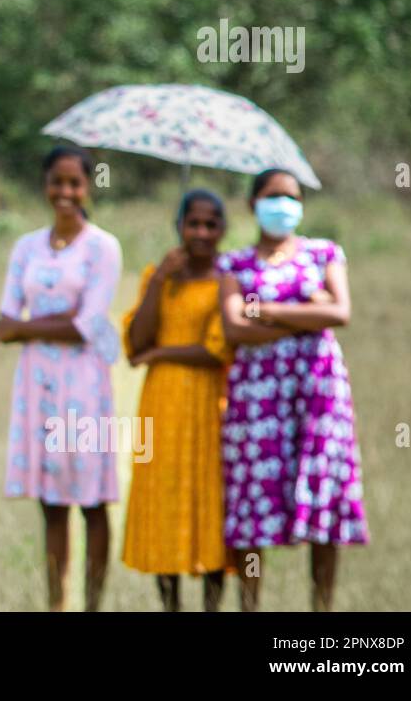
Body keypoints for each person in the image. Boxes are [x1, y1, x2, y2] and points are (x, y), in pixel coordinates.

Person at [217, 168, 367, 611]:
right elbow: (234, 328)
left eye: (292, 197)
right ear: (252, 204)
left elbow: (340, 313)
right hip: (256, 399)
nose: (283, 205)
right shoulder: (234, 263)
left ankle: (321, 607)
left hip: (318, 393)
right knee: (251, 506)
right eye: (273, 196)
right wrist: (306, 310)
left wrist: (265, 308)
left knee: (323, 493)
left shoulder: (323, 253)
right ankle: (250, 604)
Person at [0, 145, 122, 611]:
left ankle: (93, 603)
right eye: (57, 182)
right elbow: (3, 326)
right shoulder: (26, 247)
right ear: (46, 184)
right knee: (50, 500)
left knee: (91, 497)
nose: (65, 192)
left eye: (75, 183)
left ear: (88, 187)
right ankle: (56, 604)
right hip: (37, 384)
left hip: (84, 383)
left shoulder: (102, 247)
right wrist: (55, 321)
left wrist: (31, 326)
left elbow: (86, 325)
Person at [121, 190, 231, 611]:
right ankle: (170, 606)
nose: (201, 232)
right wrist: (159, 282)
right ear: (179, 227)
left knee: (209, 502)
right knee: (164, 498)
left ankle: (212, 604)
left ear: (222, 230)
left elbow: (217, 349)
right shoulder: (159, 275)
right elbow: (134, 345)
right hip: (162, 406)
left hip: (209, 407)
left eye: (210, 224)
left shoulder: (228, 280)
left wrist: (161, 353)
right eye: (193, 223)